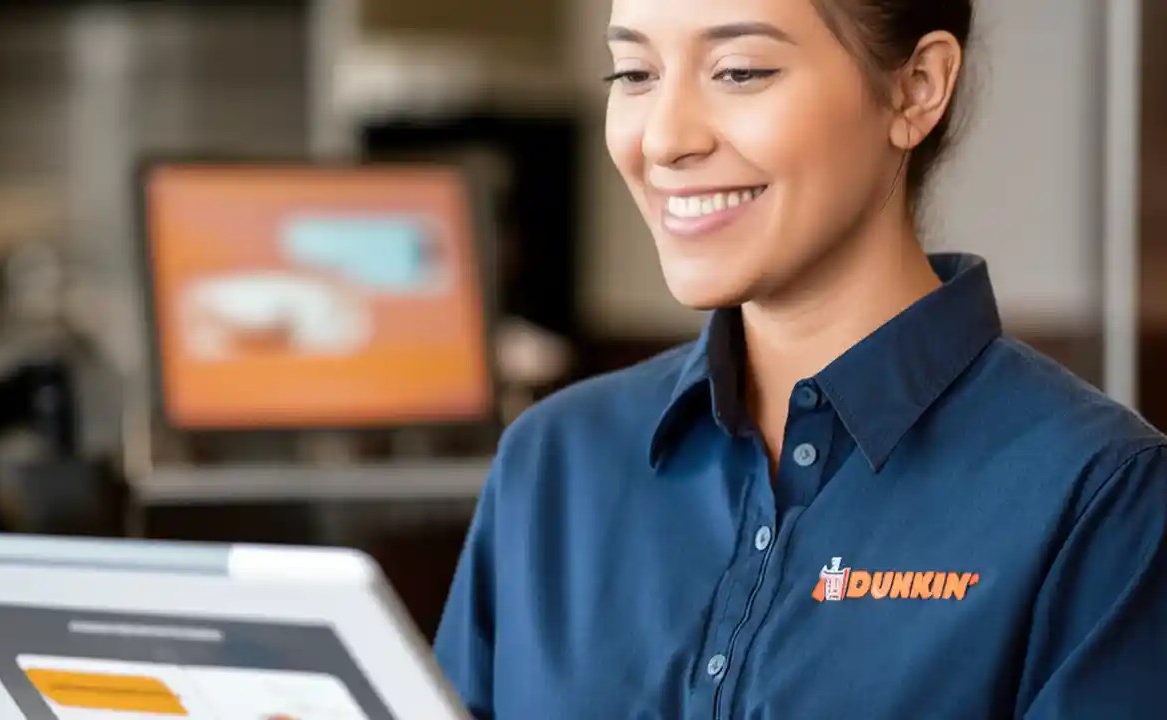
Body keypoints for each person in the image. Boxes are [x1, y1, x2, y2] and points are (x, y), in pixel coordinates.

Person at [434, 0, 1167, 717]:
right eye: (633, 74)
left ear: (917, 87)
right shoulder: (552, 462)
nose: (663, 139)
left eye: (740, 71)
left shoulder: (1102, 495)